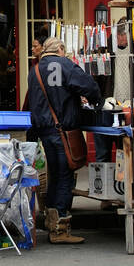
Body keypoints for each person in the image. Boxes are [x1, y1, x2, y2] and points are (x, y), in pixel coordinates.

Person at [27, 37, 100, 244]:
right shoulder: (64, 64)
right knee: (64, 177)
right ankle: (60, 230)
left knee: (55, 177)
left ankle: (51, 223)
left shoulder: (35, 70)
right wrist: (95, 100)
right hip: (63, 131)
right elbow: (89, 86)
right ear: (59, 49)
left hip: (45, 131)